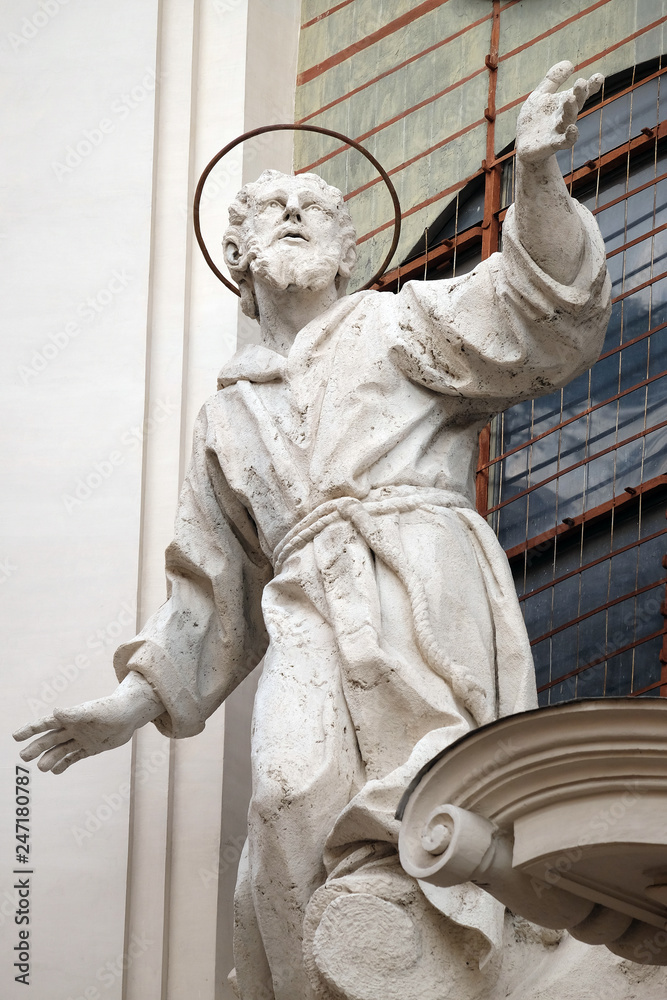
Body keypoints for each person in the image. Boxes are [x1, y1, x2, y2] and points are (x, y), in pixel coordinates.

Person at [15, 63, 611, 999]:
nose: (294, 215)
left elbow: (537, 318)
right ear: (242, 260)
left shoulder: (395, 324)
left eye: (316, 208)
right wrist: (128, 706)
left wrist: (534, 178)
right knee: (288, 794)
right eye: (270, 211)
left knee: (433, 784)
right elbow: (209, 591)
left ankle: (434, 954)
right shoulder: (226, 418)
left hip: (419, 574)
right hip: (306, 605)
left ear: (345, 255)